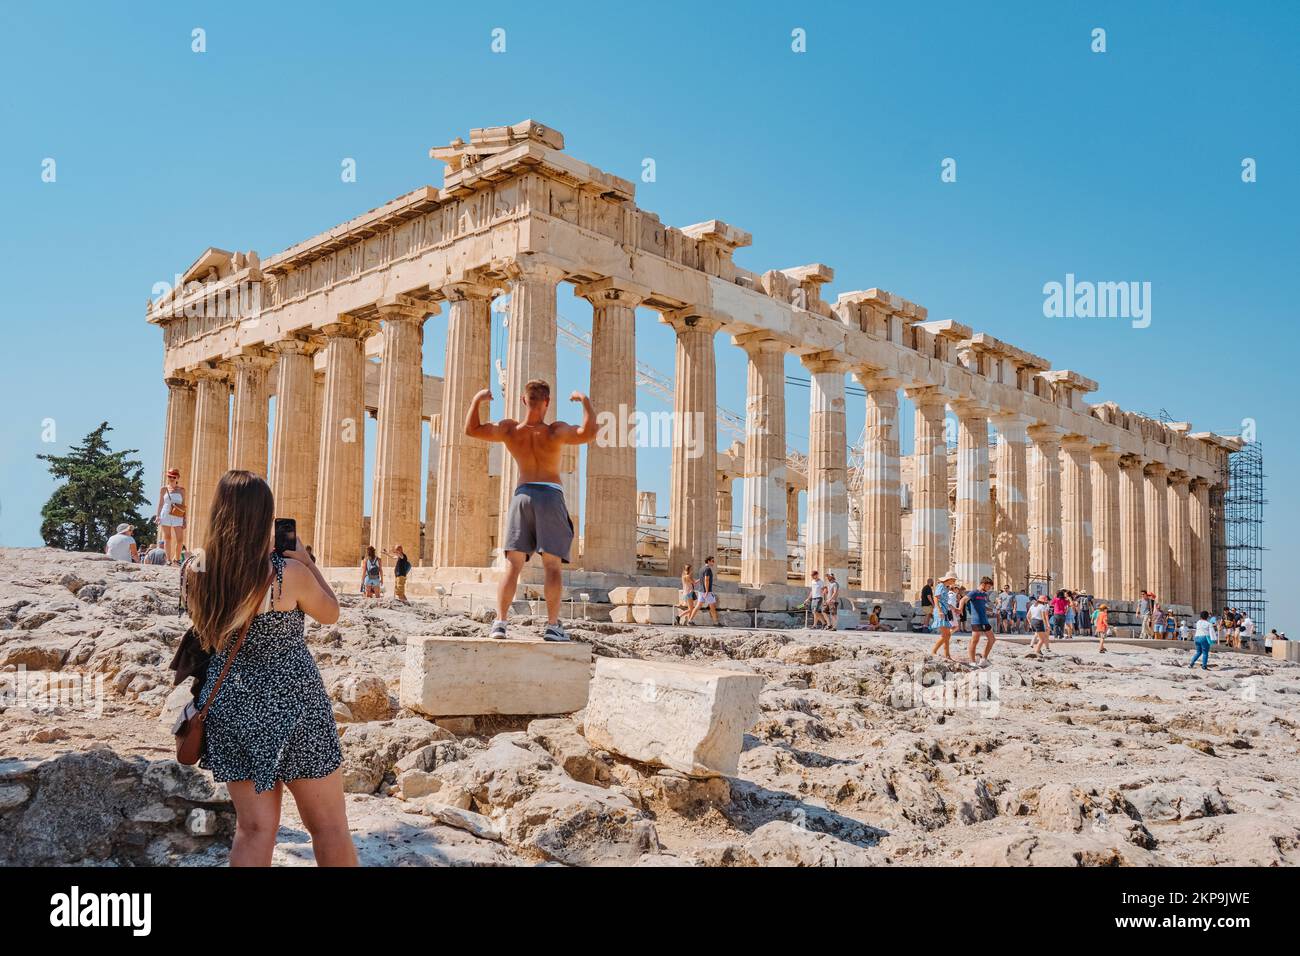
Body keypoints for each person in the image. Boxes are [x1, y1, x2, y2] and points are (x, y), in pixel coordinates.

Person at [182, 470, 355, 866]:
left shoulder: (195, 569)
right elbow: (331, 613)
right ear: (265, 516)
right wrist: (307, 563)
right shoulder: (285, 573)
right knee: (329, 827)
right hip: (295, 704)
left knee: (254, 830)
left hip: (230, 704)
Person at [466, 380, 594, 642]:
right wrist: (584, 401)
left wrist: (477, 400)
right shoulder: (555, 431)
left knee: (512, 565)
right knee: (552, 567)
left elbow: (472, 429)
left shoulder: (511, 430)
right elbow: (589, 433)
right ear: (547, 402)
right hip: (550, 495)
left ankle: (500, 623)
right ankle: (553, 626)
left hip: (522, 496)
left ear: (524, 401)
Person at [959, 576, 997, 667]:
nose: (989, 589)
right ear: (983, 584)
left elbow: (982, 606)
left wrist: (990, 609)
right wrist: (960, 609)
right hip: (976, 620)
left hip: (984, 620)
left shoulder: (984, 594)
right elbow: (963, 600)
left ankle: (983, 659)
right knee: (974, 641)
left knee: (992, 639)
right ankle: (972, 661)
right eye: (988, 587)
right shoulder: (974, 592)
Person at [155, 467, 187, 564]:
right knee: (167, 537)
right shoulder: (163, 489)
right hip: (165, 514)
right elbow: (160, 503)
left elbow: (183, 505)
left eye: (173, 477)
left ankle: (176, 559)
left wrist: (185, 519)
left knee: (180, 539)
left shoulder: (182, 490)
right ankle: (168, 559)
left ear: (177, 478)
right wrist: (157, 516)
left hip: (178, 516)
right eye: (169, 476)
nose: (171, 478)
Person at [928, 572, 958, 659]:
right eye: (954, 579)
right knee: (946, 635)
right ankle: (934, 651)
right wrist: (940, 610)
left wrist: (954, 608)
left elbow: (944, 601)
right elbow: (936, 598)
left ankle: (947, 654)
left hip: (944, 611)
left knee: (947, 635)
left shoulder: (946, 587)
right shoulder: (941, 586)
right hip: (940, 612)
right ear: (950, 579)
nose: (955, 581)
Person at [698, 556, 721, 626]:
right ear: (708, 561)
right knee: (713, 607)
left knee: (697, 606)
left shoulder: (701, 568)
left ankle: (690, 620)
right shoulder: (708, 569)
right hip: (706, 592)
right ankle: (716, 622)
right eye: (712, 561)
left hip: (701, 590)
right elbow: (706, 580)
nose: (713, 563)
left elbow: (701, 579)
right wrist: (707, 591)